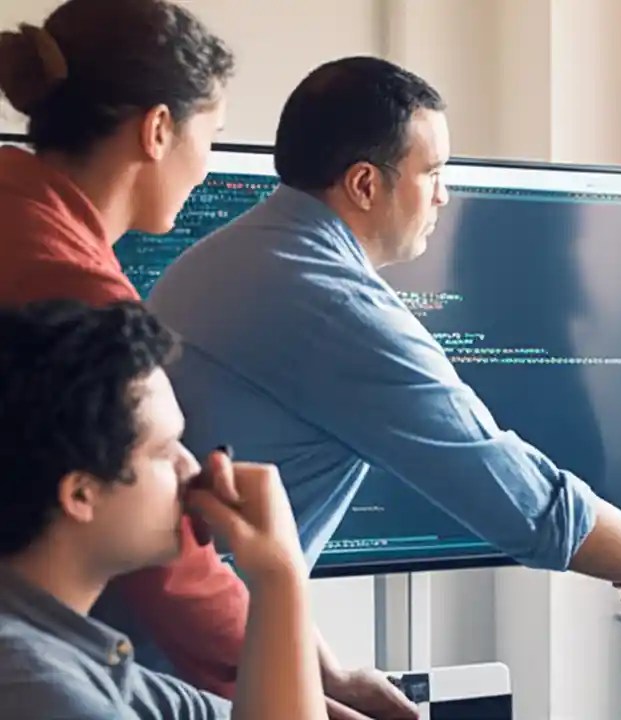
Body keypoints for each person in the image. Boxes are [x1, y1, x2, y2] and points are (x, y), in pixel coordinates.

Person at [143, 55, 621, 637]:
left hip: (162, 629)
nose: (443, 196)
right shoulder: (337, 305)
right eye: (432, 172)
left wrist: (328, 674)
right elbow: (527, 506)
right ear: (363, 184)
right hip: (182, 665)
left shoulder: (230, 255)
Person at [0, 3, 413, 717]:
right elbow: (178, 575)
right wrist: (302, 680)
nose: (209, 165)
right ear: (159, 130)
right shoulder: (76, 292)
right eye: (212, 137)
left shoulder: (18, 205)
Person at [0, 299, 326, 719]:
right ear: (81, 495)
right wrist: (280, 578)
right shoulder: (39, 692)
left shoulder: (70, 656)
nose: (191, 467)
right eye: (164, 450)